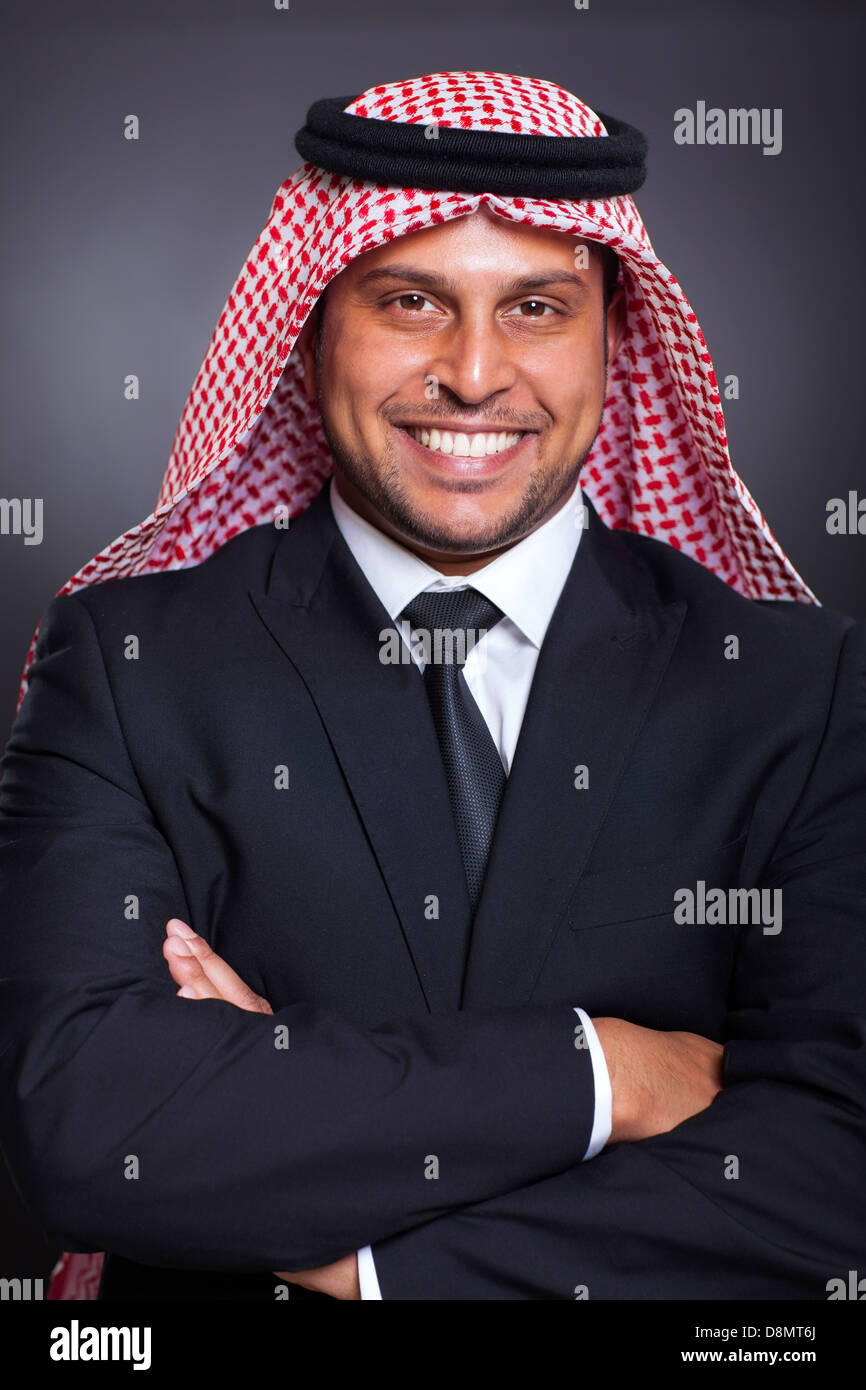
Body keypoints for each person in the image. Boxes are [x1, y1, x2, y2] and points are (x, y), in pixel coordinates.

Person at [1, 71, 864, 1303]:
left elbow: (831, 1168)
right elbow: (91, 1133)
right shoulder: (125, 665)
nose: (472, 375)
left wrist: (364, 1258)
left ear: (611, 339)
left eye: (536, 307)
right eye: (409, 301)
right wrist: (603, 1075)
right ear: (308, 331)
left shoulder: (797, 689)